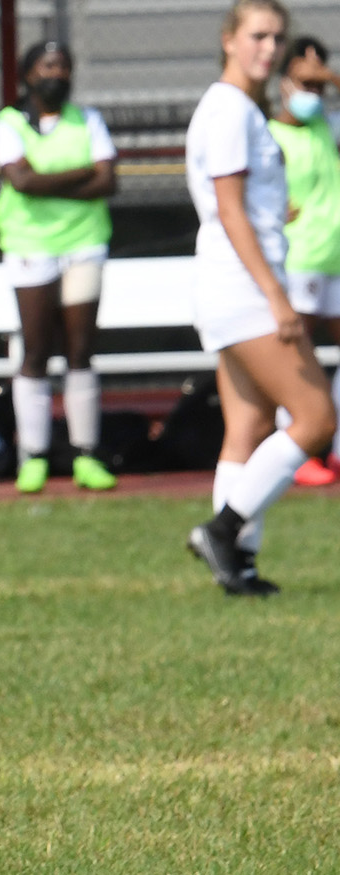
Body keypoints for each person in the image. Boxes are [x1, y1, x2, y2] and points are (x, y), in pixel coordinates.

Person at [184, 0, 336, 595]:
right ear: (229, 40)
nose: (268, 48)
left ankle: (237, 566)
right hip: (243, 287)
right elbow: (228, 210)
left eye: (277, 37)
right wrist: (276, 295)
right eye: (257, 36)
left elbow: (241, 204)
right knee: (317, 417)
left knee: (246, 426)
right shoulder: (228, 110)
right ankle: (223, 530)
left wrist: (278, 212)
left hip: (229, 283)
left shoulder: (239, 109)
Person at [0, 41, 120, 494]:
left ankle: (86, 454)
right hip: (30, 246)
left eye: (64, 66)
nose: (57, 74)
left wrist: (46, 185)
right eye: (48, 66)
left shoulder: (89, 120)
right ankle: (35, 455)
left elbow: (109, 181)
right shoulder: (8, 125)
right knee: (36, 351)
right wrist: (81, 175)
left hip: (84, 245)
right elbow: (21, 181)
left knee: (81, 351)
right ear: (28, 75)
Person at [266, 35, 340, 485]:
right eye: (302, 77)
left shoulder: (327, 127)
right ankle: (295, 452)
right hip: (301, 258)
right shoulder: (270, 134)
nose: (312, 89)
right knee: (298, 358)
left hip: (336, 254)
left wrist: (329, 77)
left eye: (319, 80)